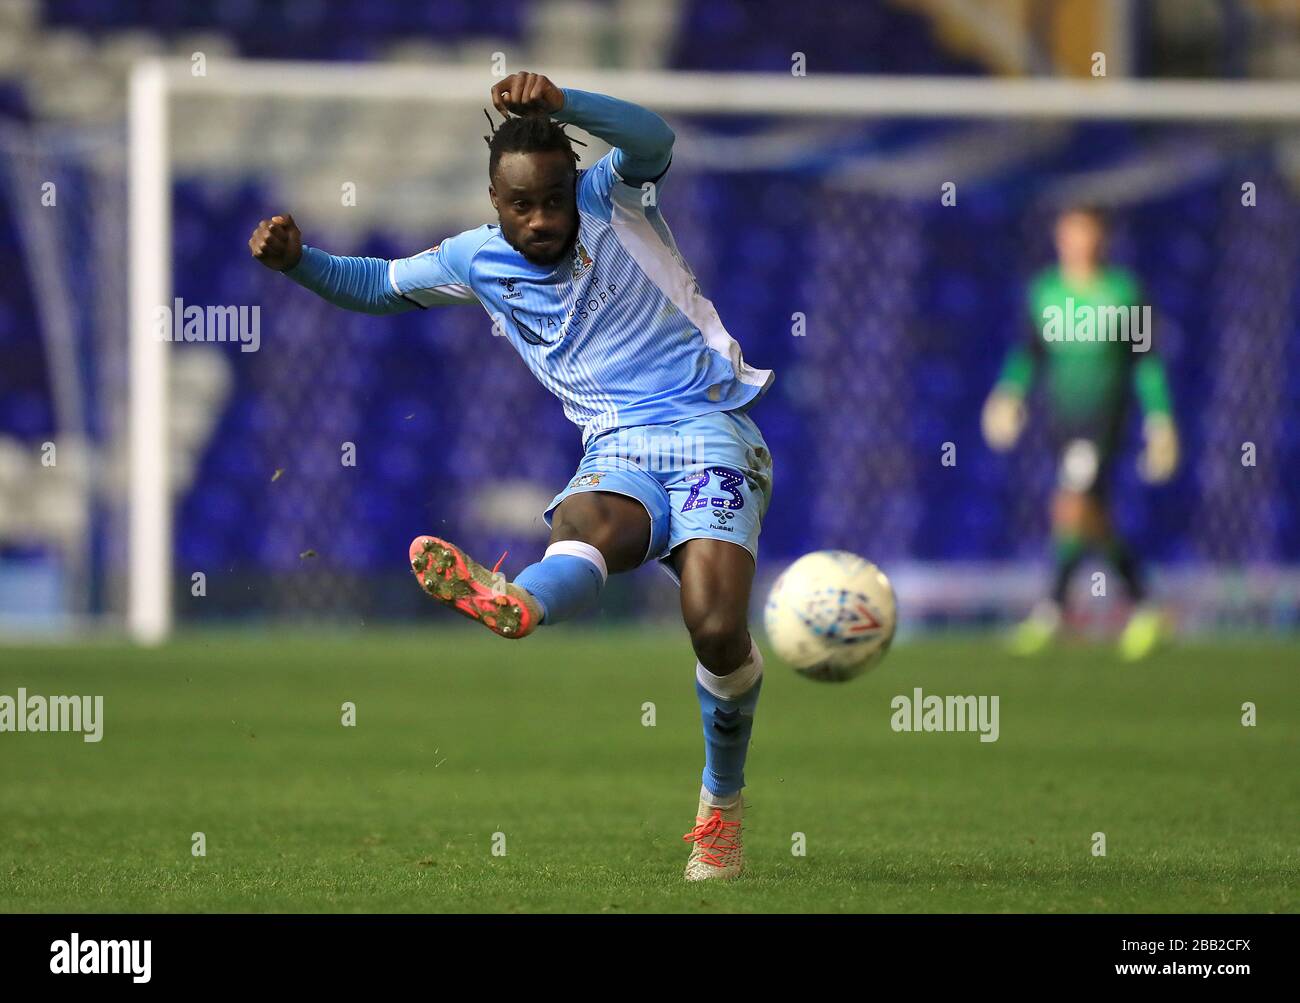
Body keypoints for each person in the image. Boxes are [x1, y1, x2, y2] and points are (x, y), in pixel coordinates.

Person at [249, 72, 774, 880]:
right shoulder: (477, 259)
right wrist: (299, 262)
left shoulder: (617, 199)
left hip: (709, 432)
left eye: (553, 200)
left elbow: (654, 140)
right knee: (587, 529)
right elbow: (379, 284)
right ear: (493, 201)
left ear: (573, 186)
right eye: (521, 206)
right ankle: (517, 601)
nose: (541, 220)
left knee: (714, 629)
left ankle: (720, 809)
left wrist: (565, 103)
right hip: (617, 449)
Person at [981, 206, 1177, 661]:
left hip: (1105, 417)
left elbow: (1146, 359)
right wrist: (1008, 394)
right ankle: (1146, 606)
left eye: (1087, 233)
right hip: (1061, 420)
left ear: (1102, 238)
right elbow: (1027, 352)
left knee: (1070, 503)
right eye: (1071, 233)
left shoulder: (1126, 292)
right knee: (1092, 516)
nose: (1079, 242)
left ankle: (1052, 608)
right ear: (1058, 239)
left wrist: (1160, 419)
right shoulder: (1044, 293)